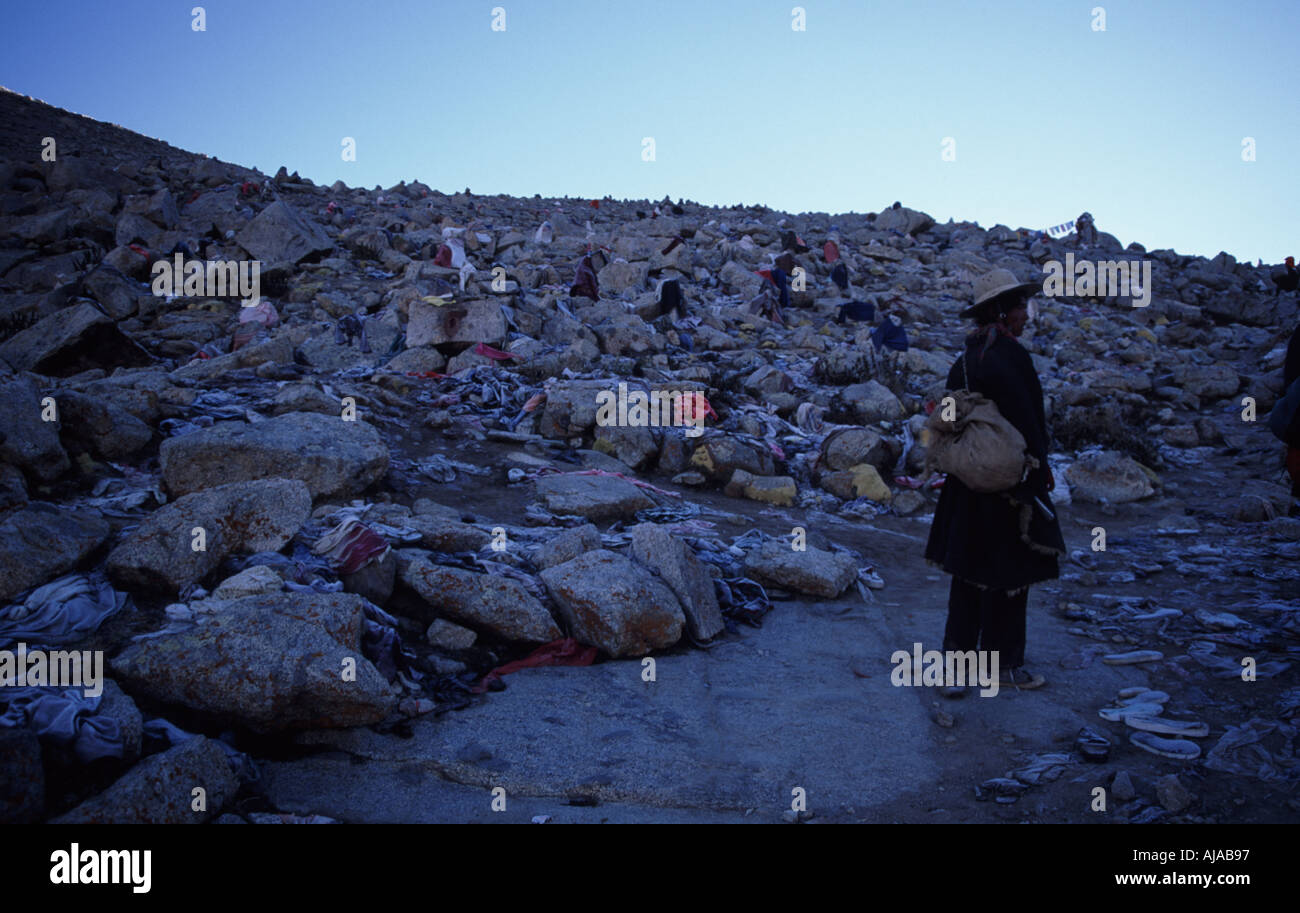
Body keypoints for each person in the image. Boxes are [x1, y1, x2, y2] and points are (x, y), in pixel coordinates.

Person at [924, 269, 1066, 693]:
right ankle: (1004, 665)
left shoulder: (963, 361)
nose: (1026, 313)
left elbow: (947, 420)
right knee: (1010, 573)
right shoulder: (1012, 357)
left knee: (968, 571)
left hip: (968, 485)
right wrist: (1041, 470)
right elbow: (1029, 422)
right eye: (1020, 305)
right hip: (1009, 486)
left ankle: (956, 666)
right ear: (1002, 310)